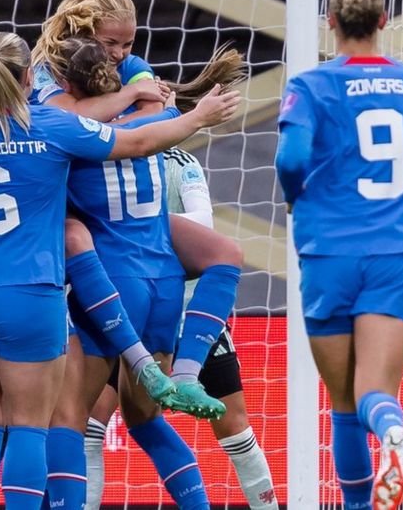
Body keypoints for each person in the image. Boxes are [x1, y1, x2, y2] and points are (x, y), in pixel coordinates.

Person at [0, 31, 238, 510]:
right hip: (100, 281)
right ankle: (184, 372)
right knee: (67, 425)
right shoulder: (60, 127)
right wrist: (185, 113)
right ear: (27, 79)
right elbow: (137, 139)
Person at [275, 0, 403, 510]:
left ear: (331, 22)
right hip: (398, 255)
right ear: (383, 20)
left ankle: (358, 503)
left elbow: (291, 160)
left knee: (341, 405)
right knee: (375, 394)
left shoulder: (311, 86)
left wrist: (301, 194)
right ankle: (391, 429)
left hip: (330, 252)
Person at [31, 0, 246, 409]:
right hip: (73, 214)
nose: (119, 54)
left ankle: (187, 374)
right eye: (110, 42)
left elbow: (150, 118)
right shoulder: (47, 69)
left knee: (226, 253)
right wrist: (135, 102)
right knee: (76, 414)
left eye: (128, 43)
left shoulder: (132, 65)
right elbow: (67, 121)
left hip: (137, 226)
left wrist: (120, 122)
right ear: (84, 32)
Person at [84, 145, 279, 510]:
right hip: (131, 310)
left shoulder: (178, 162)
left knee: (232, 426)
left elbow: (203, 220)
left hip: (189, 312)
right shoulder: (100, 154)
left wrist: (138, 228)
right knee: (95, 424)